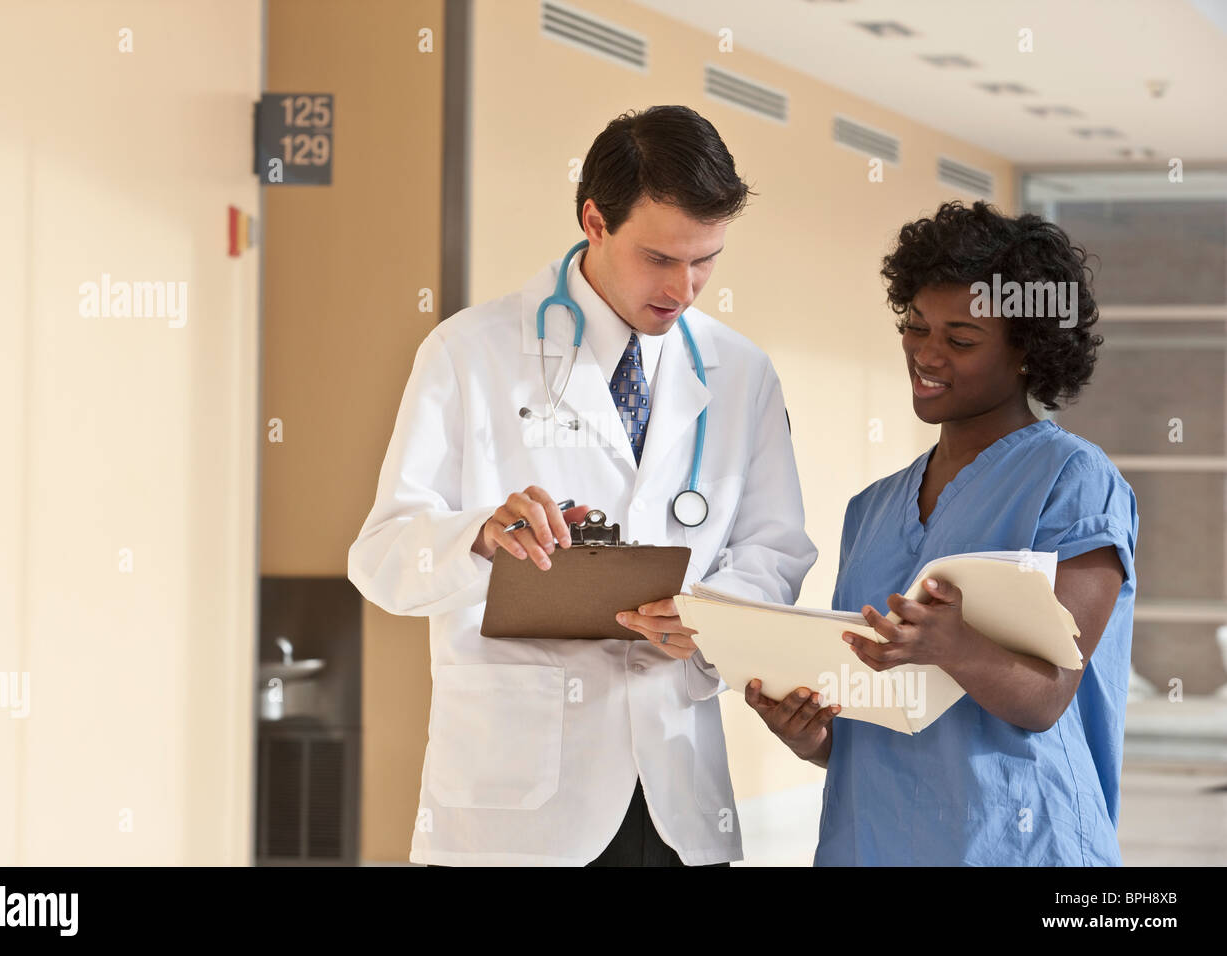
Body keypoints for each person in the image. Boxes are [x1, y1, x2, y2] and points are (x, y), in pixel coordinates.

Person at [348, 105, 817, 866]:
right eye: (661, 258)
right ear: (594, 221)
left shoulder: (742, 373)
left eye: (706, 260)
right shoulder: (470, 353)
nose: (686, 288)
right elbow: (381, 559)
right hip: (515, 809)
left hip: (673, 797)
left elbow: (776, 549)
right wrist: (476, 536)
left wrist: (713, 618)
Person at [746, 200, 1138, 865]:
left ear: (1026, 353)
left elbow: (1046, 699)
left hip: (1018, 842)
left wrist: (958, 645)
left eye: (960, 340)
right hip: (869, 841)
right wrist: (809, 734)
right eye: (915, 326)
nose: (926, 354)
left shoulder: (1071, 479)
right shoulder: (870, 509)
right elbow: (880, 720)